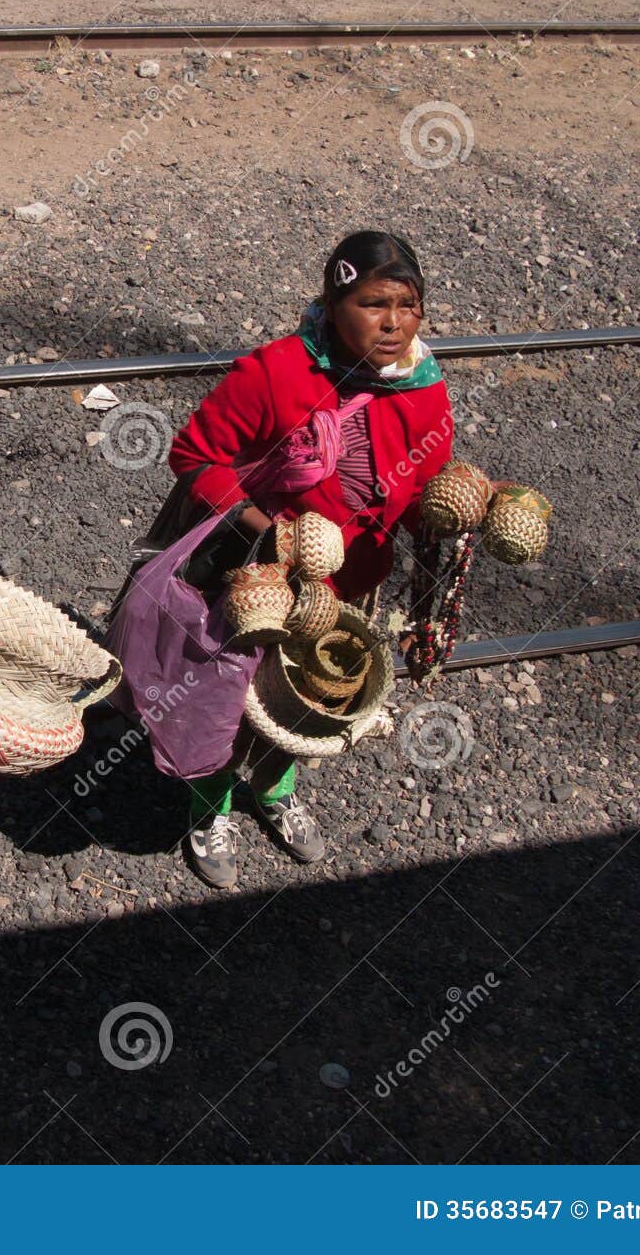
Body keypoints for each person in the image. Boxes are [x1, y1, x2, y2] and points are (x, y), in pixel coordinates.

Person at [163, 230, 453, 884]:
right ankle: (209, 806)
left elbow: (420, 497)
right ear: (333, 302)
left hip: (350, 584)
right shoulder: (276, 373)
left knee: (303, 696)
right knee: (225, 695)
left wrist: (457, 508)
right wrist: (269, 533)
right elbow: (194, 457)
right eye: (374, 304)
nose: (394, 323)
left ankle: (274, 788)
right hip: (256, 576)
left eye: (408, 306)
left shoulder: (424, 389)